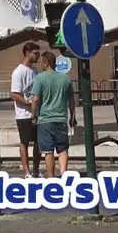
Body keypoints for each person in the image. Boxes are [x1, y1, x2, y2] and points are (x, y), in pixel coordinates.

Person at [31, 52, 76, 178]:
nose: (40, 64)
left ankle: (51, 177)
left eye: (41, 62)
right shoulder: (65, 79)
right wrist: (72, 117)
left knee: (48, 150)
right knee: (63, 149)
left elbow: (35, 99)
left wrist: (34, 115)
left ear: (46, 62)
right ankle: (64, 175)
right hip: (61, 119)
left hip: (45, 120)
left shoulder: (40, 78)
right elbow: (71, 101)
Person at [10, 42, 42, 178]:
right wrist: (28, 103)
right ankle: (27, 172)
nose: (38, 56)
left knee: (38, 143)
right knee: (24, 142)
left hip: (37, 114)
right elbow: (15, 94)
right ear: (28, 53)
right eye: (35, 53)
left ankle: (36, 171)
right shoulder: (18, 72)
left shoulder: (35, 71)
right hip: (23, 115)